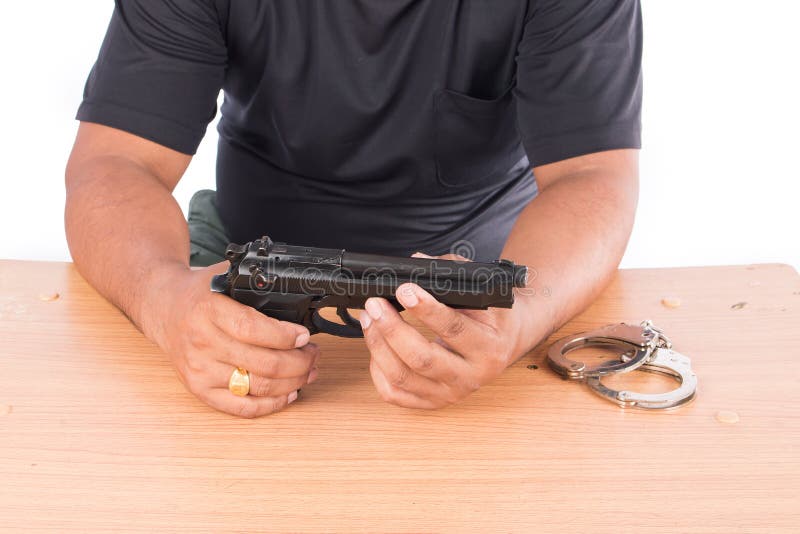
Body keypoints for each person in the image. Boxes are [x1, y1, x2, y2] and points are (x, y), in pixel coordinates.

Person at [65, 0, 642, 417]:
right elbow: (116, 163)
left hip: (488, 289)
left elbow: (592, 177)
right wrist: (166, 302)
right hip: (242, 269)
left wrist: (516, 317)